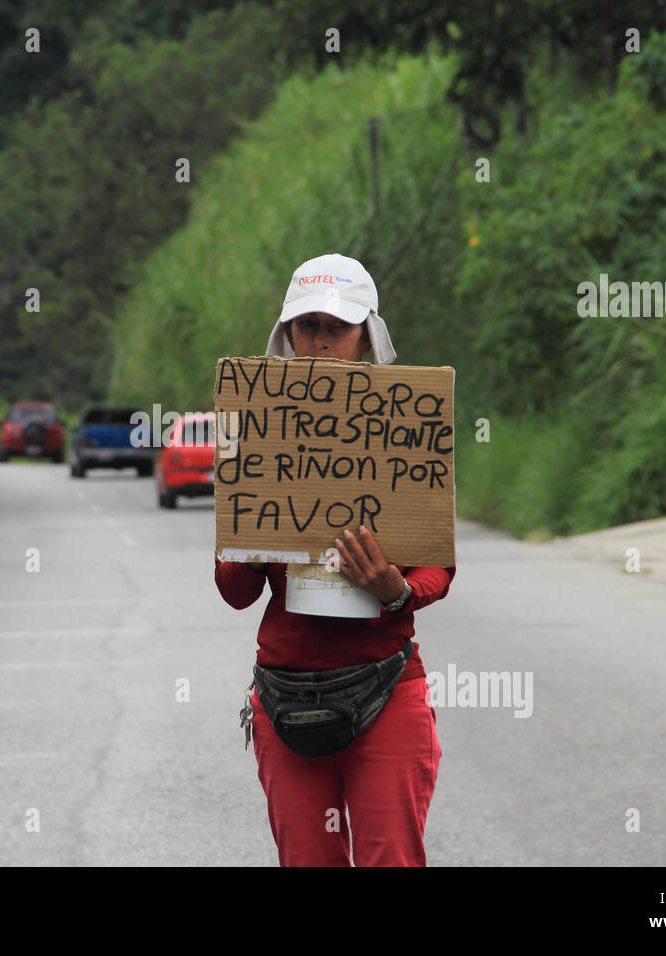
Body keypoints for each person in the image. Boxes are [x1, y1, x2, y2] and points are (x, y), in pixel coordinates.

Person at [214, 252, 456, 867]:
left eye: (336, 328)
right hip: (286, 696)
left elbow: (438, 564)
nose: (320, 342)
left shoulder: (405, 422)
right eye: (307, 326)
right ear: (288, 335)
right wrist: (255, 527)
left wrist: (395, 590)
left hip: (387, 690)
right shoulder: (255, 429)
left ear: (366, 336)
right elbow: (236, 590)